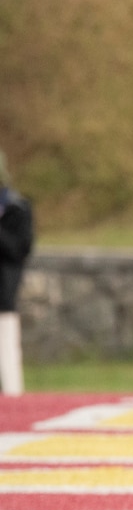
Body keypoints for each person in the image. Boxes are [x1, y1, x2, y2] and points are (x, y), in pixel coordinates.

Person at [0, 152, 31, 398]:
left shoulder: (17, 208)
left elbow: (19, 249)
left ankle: (13, 400)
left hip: (3, 294)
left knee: (7, 353)